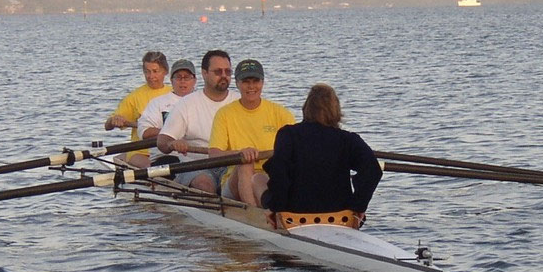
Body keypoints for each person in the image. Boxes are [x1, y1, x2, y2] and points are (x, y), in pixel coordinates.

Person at [262, 83, 381, 228]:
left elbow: (280, 174)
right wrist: (358, 208)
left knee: (257, 179)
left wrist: (275, 209)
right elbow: (373, 170)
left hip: (293, 216)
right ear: (336, 110)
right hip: (340, 216)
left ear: (307, 108)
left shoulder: (288, 135)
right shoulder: (348, 139)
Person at [207, 58, 295, 206]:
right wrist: (240, 153)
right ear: (237, 84)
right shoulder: (224, 114)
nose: (251, 86)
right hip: (235, 182)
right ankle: (255, 215)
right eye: (246, 82)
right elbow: (213, 154)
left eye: (256, 81)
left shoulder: (281, 113)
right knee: (246, 163)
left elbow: (295, 151)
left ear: (262, 83)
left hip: (270, 178)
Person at [157, 50, 239, 192]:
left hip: (233, 164)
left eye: (228, 72)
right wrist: (172, 143)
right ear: (204, 73)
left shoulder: (239, 101)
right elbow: (162, 141)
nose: (224, 76)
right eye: (218, 72)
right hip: (197, 164)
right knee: (205, 185)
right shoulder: (187, 103)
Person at [104, 51, 168, 167]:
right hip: (141, 151)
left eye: (155, 71)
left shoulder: (173, 93)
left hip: (167, 150)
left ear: (165, 72)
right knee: (154, 169)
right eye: (147, 72)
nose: (151, 76)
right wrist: (113, 121)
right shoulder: (134, 97)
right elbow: (107, 126)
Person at [136, 58, 197, 149]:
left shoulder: (203, 101)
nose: (182, 81)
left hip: (199, 155)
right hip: (166, 155)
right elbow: (144, 131)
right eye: (178, 77)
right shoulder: (157, 103)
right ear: (171, 81)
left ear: (194, 80)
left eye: (187, 77)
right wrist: (169, 134)